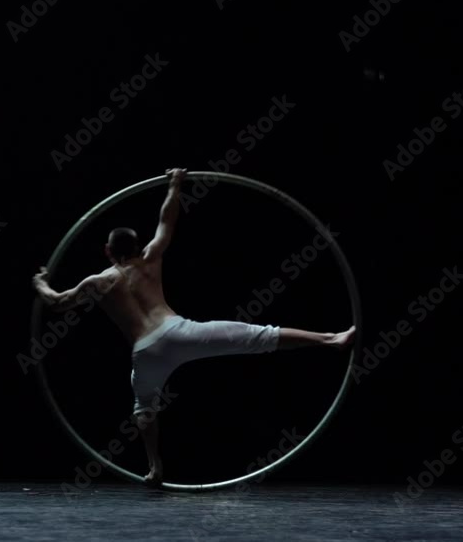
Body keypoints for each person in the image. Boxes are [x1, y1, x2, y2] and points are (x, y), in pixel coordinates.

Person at [33, 168, 355, 485]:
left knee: (144, 406)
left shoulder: (96, 282)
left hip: (145, 352)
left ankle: (155, 468)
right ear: (136, 246)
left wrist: (41, 284)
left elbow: (57, 303)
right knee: (258, 336)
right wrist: (175, 184)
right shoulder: (150, 256)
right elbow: (166, 222)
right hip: (178, 332)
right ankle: (331, 339)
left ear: (107, 251)